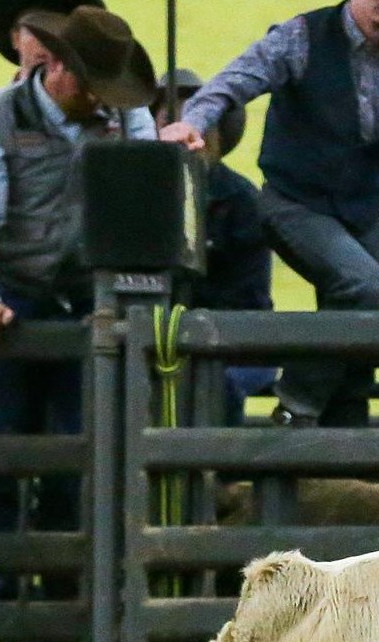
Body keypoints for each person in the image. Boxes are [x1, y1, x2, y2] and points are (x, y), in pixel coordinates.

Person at [0, 6, 157, 642]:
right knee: (1, 460)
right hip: (15, 302)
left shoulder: (129, 120)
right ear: (58, 67)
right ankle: (8, 608)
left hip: (88, 303)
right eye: (91, 80)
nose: (102, 98)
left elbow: (144, 208)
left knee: (83, 462)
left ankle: (65, 618)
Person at [162, 0, 379, 428]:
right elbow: (234, 81)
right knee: (365, 286)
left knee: (359, 344)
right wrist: (194, 122)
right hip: (292, 203)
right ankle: (295, 405)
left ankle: (341, 460)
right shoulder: (301, 37)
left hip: (361, 216)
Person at [155, 67, 274, 422]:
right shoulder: (140, 196)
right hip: (165, 341)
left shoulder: (240, 201)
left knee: (217, 384)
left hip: (235, 342)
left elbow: (245, 297)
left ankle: (222, 472)